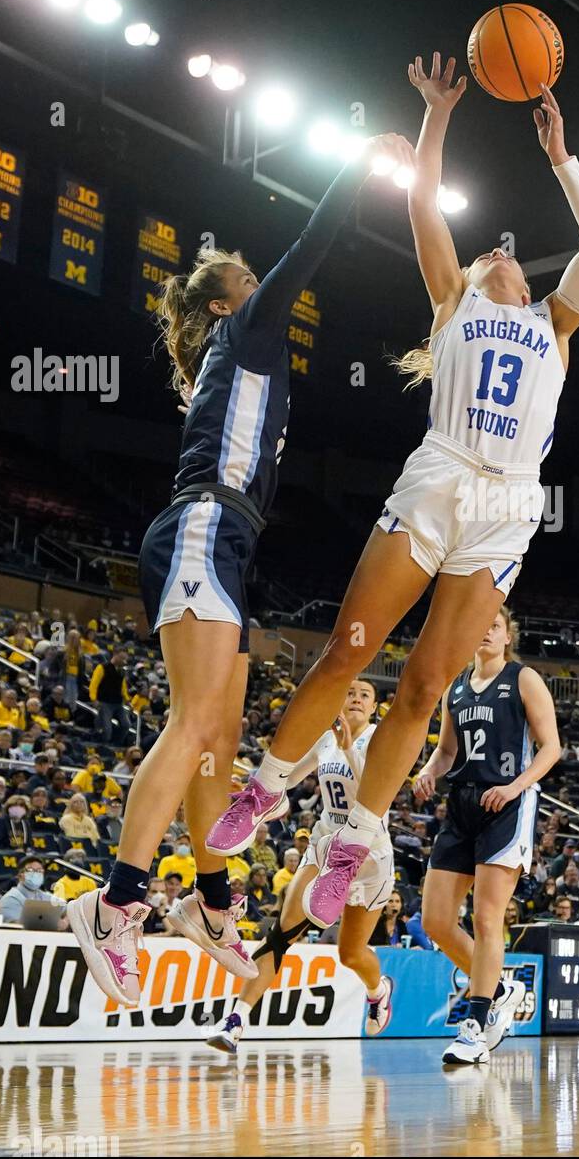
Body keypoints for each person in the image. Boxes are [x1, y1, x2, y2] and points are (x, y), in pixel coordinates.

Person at [205, 57, 579, 953]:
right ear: (471, 277)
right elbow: (423, 205)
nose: (502, 253)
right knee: (351, 649)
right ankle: (268, 783)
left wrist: (561, 159)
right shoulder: (451, 302)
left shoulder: (556, 323)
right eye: (490, 253)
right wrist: (436, 117)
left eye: (508, 254)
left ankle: (356, 836)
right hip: (439, 475)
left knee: (425, 684)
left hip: (507, 506)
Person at [66, 131, 414, 1008]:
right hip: (201, 529)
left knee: (221, 742)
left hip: (228, 541)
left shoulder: (240, 351)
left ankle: (212, 902)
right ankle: (115, 905)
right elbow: (314, 245)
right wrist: (360, 163)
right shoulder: (249, 327)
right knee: (191, 728)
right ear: (227, 304)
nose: (263, 285)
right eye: (248, 279)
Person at [206, 681, 395, 1052]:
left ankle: (379, 990)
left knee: (350, 954)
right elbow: (289, 778)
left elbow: (379, 789)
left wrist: (347, 749)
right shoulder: (327, 737)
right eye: (350, 691)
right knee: (281, 934)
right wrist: (254, 784)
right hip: (327, 843)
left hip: (370, 855)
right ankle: (236, 1019)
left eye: (364, 694)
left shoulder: (383, 737)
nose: (355, 697)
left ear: (374, 707)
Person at [413, 606, 562, 1066]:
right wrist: (428, 771)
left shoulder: (524, 678)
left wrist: (516, 785)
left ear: (506, 635)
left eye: (494, 625)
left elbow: (552, 746)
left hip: (508, 804)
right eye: (478, 624)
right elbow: (446, 750)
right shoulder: (455, 686)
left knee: (486, 916)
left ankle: (476, 1024)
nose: (485, 631)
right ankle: (499, 988)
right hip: (462, 804)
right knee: (435, 920)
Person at [0, 855, 65, 925]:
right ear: (20, 875)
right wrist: (54, 924)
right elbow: (17, 926)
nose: (36, 874)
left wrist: (65, 921)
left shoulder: (44, 896)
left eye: (39, 871)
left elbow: (68, 909)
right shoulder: (11, 899)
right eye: (30, 870)